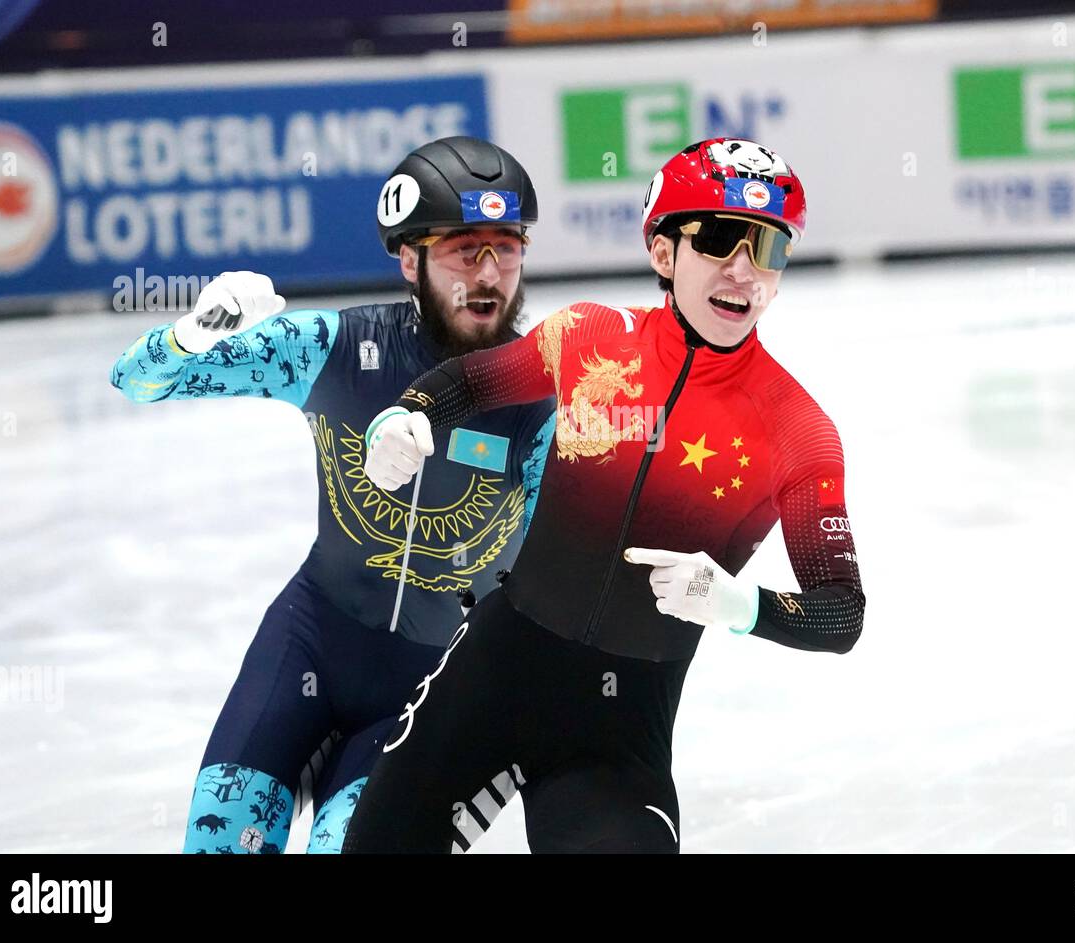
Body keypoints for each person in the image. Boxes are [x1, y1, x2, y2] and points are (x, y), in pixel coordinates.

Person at [344, 137, 865, 854]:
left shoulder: (798, 431)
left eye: (768, 248)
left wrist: (740, 606)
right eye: (718, 239)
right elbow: (466, 383)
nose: (743, 271)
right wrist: (404, 418)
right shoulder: (589, 338)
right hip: (494, 676)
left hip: (616, 739)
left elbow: (841, 611)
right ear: (662, 253)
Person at [109, 136, 556, 854]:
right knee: (218, 845)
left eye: (506, 248)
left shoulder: (540, 397)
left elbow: (563, 573)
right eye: (463, 250)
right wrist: (190, 337)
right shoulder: (337, 347)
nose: (489, 272)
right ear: (408, 260)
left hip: (428, 683)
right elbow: (135, 381)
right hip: (310, 643)